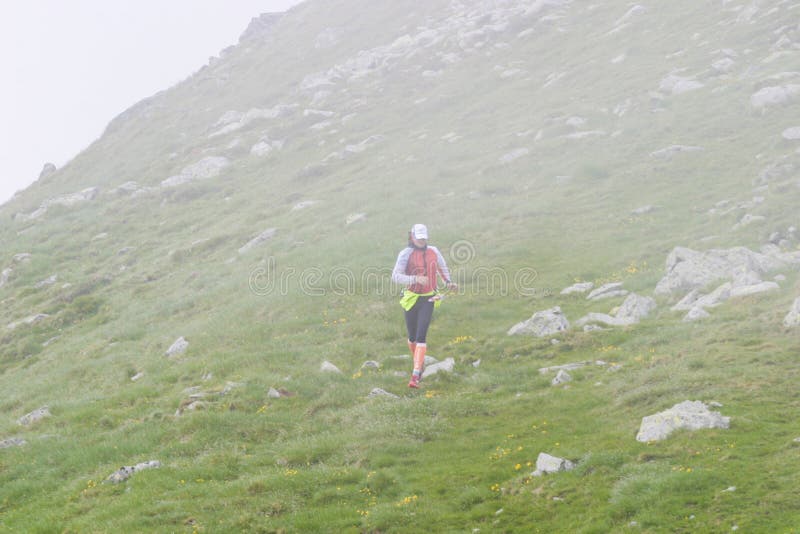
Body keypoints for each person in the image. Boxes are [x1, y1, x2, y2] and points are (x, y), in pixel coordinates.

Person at [391, 224, 457, 388]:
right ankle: (418, 364)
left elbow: (442, 268)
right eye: (418, 238)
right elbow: (396, 276)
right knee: (412, 336)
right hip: (412, 298)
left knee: (421, 335)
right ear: (412, 237)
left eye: (424, 238)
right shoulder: (405, 254)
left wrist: (448, 282)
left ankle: (415, 375)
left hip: (429, 298)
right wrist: (415, 279)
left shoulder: (434, 251)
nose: (421, 241)